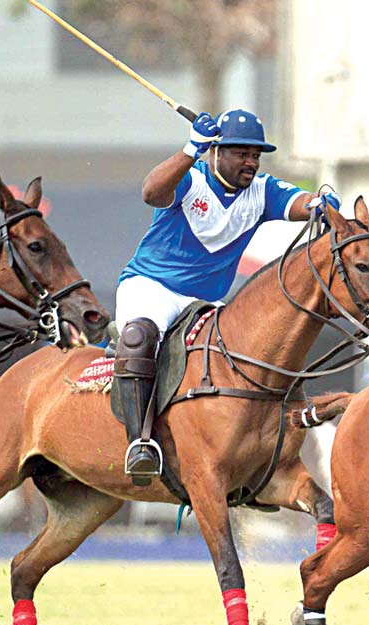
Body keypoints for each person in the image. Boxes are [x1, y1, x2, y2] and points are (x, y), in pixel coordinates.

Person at [113, 109, 339, 479]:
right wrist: (190, 149)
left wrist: (323, 203)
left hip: (206, 302)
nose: (250, 161)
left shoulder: (261, 191)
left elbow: (303, 203)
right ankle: (141, 442)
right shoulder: (191, 179)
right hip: (152, 287)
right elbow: (151, 192)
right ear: (216, 152)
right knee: (140, 338)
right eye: (240, 153)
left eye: (255, 154)